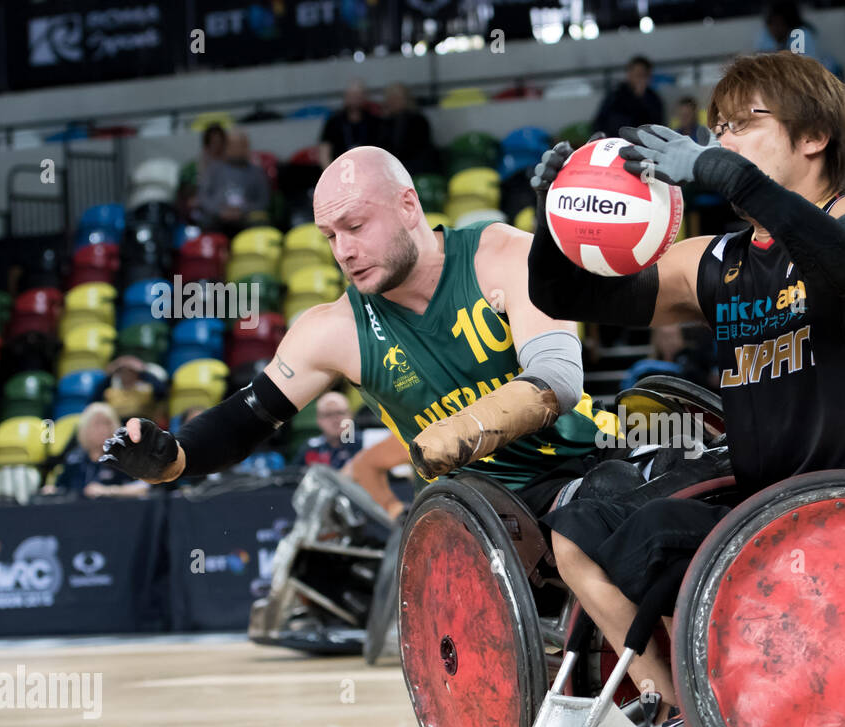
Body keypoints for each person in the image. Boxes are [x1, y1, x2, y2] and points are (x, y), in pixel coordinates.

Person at [528, 51, 845, 727]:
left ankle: (726, 710)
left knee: (657, 532)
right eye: (719, 128)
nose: (722, 139)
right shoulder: (717, 260)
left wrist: (726, 174)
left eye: (745, 124)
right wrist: (557, 225)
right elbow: (568, 294)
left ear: (813, 137)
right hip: (765, 511)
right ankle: (678, 712)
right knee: (586, 524)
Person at [100, 146, 619, 520]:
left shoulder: (499, 253)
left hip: (588, 463)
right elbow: (243, 421)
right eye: (329, 236)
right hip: (489, 515)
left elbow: (556, 378)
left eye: (355, 226)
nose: (342, 250)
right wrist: (174, 459)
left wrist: (468, 428)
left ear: (409, 206)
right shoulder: (332, 329)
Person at [41, 403, 150, 499]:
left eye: (107, 424)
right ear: (85, 429)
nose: (102, 430)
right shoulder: (74, 459)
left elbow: (143, 487)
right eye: (97, 424)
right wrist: (52, 490)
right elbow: (62, 488)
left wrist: (108, 491)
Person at [195, 128, 272, 236]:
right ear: (226, 146)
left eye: (242, 145)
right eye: (233, 145)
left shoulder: (256, 172)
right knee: (205, 222)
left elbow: (263, 200)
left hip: (246, 216)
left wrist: (243, 210)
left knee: (260, 221)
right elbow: (203, 197)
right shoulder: (213, 170)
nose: (238, 149)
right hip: (218, 215)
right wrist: (219, 210)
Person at [756, 2, 842, 78]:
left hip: (826, 77)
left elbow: (802, 66)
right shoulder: (768, 33)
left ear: (788, 23)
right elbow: (761, 57)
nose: (774, 29)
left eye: (778, 24)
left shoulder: (801, 34)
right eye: (770, 24)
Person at [593, 56, 664, 137]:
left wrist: (641, 99)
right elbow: (600, 122)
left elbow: (658, 125)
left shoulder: (653, 99)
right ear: (629, 74)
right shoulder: (615, 95)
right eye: (636, 74)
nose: (639, 78)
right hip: (616, 140)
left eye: (642, 75)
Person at [319, 80, 384, 168]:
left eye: (358, 95)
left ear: (364, 97)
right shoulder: (333, 122)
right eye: (351, 95)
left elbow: (382, 153)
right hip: (340, 170)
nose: (354, 99)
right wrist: (330, 174)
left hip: (368, 170)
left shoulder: (374, 121)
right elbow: (324, 153)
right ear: (345, 97)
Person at [293, 390, 362, 469]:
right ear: (318, 420)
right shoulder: (311, 447)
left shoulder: (365, 443)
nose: (335, 420)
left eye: (340, 413)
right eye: (328, 414)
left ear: (350, 415)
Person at [380, 83, 437, 174]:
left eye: (398, 98)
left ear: (406, 99)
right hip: (393, 164)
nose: (394, 102)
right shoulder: (384, 123)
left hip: (415, 164)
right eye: (392, 99)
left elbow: (418, 147)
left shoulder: (419, 120)